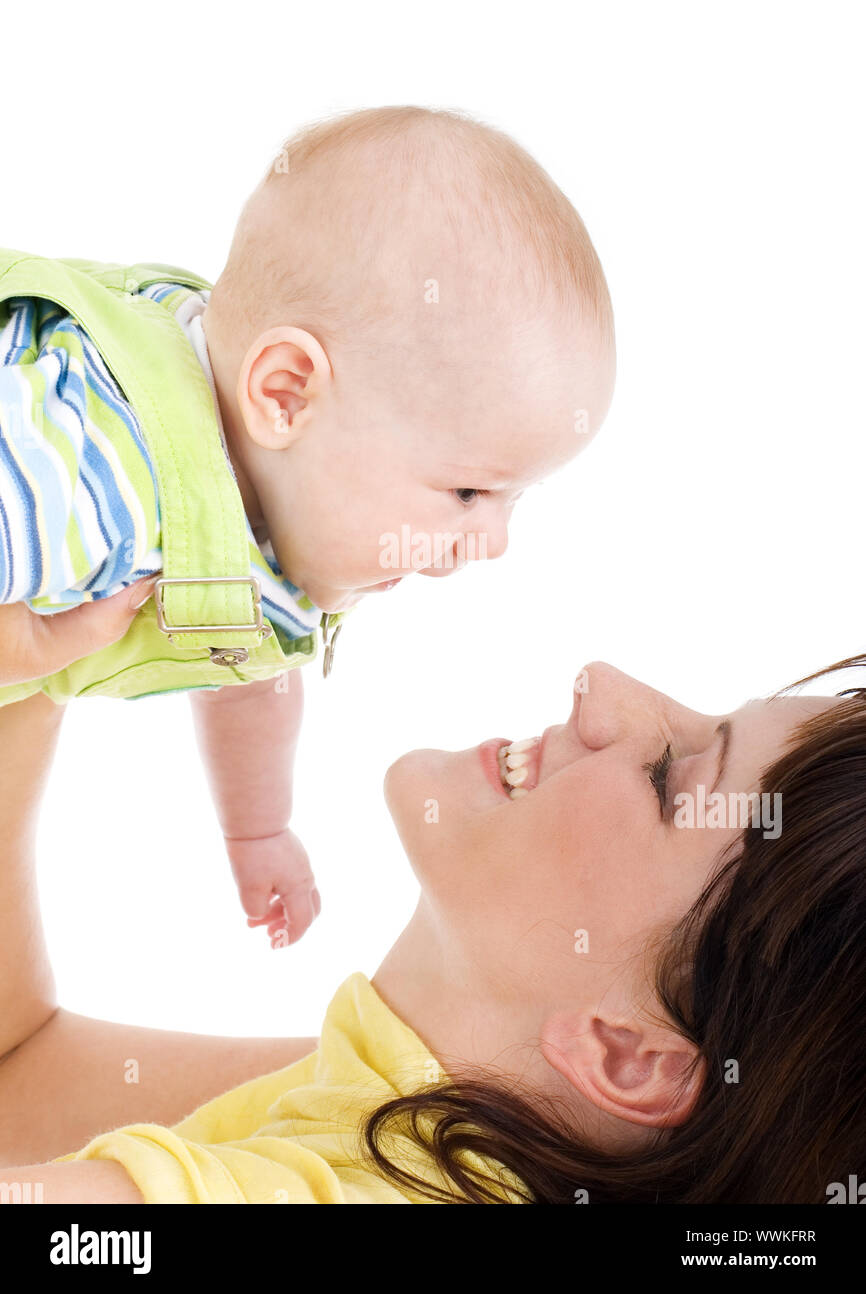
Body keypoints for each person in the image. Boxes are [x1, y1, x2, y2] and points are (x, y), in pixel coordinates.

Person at [0, 105, 616, 947]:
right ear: (284, 393)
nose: (493, 543)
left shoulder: (283, 498)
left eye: (514, 501)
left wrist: (257, 827)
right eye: (469, 492)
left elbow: (244, 658)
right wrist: (18, 654)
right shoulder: (95, 486)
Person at [0, 656, 862, 1203]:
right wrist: (48, 643)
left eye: (669, 777)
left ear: (628, 1057)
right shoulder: (426, 1099)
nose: (602, 686)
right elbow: (20, 1069)